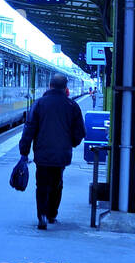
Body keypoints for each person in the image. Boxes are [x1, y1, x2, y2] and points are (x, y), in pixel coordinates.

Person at [19, 73, 86, 230]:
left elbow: (29, 129)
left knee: (41, 184)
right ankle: (52, 214)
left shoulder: (39, 103)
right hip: (62, 154)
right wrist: (71, 143)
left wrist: (24, 151)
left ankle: (41, 215)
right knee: (57, 183)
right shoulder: (72, 106)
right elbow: (79, 132)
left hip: (42, 153)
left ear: (50, 86)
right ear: (65, 88)